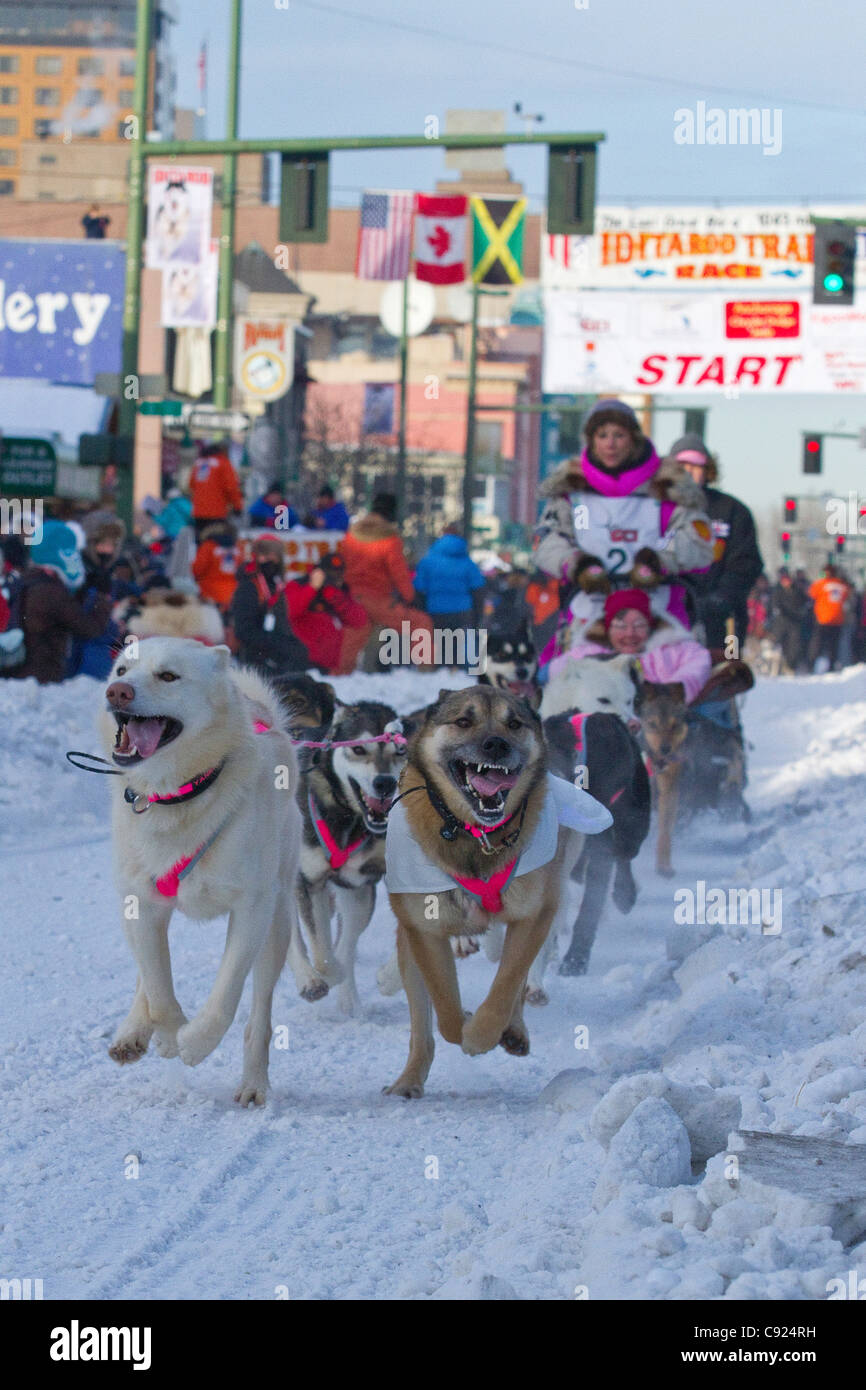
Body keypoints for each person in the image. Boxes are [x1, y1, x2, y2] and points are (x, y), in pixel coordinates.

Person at [535, 399, 714, 633]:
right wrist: (578, 564)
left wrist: (658, 561)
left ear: (633, 438)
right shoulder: (575, 493)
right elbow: (551, 539)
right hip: (589, 609)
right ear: (591, 440)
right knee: (555, 668)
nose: (610, 444)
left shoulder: (667, 486)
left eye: (619, 435)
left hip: (658, 610)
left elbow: (696, 540)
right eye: (602, 435)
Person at [666, 434, 764, 652]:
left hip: (722, 617)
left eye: (696, 466)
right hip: (666, 610)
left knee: (721, 674)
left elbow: (746, 563)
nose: (689, 471)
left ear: (708, 470)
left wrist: (723, 597)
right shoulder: (655, 508)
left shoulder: (732, 511)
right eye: (682, 465)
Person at [547, 587, 712, 705]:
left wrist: (675, 689)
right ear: (608, 628)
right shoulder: (592, 651)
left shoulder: (669, 648)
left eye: (639, 625)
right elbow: (559, 669)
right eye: (621, 626)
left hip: (663, 723)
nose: (630, 633)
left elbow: (699, 661)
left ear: (649, 625)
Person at [6, 521, 112, 684]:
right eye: (71, 551)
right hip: (41, 679)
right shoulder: (50, 591)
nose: (76, 558)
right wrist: (102, 599)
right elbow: (90, 628)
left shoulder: (29, 581)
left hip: (23, 674)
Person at [339, 492, 434, 651]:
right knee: (421, 624)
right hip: (379, 600)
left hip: (353, 599)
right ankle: (426, 672)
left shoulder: (351, 536)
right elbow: (399, 574)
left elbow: (342, 565)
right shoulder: (389, 540)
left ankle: (341, 674)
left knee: (352, 642)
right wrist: (410, 597)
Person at [230, 537, 311, 675]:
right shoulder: (249, 587)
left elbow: (282, 622)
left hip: (272, 644)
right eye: (265, 554)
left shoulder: (275, 584)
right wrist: (277, 643)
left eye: (275, 555)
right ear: (256, 556)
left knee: (300, 652)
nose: (271, 559)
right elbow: (243, 630)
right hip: (253, 653)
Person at [284, 559, 370, 675]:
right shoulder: (298, 585)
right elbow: (291, 611)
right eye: (329, 573)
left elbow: (359, 621)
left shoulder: (340, 591)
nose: (333, 578)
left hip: (333, 668)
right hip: (305, 664)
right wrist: (312, 588)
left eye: (338, 573)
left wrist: (335, 597)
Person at [412, 524, 485, 636]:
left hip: (434, 611)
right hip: (462, 612)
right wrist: (476, 618)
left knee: (437, 645)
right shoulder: (468, 564)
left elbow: (419, 588)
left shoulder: (427, 562)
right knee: (456, 648)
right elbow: (478, 590)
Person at [190, 442, 243, 542]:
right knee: (215, 542)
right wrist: (237, 507)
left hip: (198, 512)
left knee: (201, 542)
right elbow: (231, 487)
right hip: (216, 512)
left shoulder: (199, 463)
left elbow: (191, 485)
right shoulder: (223, 463)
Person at [808, 564, 851, 672]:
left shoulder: (821, 584)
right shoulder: (842, 585)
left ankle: (811, 666)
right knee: (833, 646)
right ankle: (831, 667)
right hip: (837, 620)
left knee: (817, 646)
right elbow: (847, 596)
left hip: (823, 620)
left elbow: (811, 593)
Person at [191, 520, 240, 613]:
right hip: (232, 594)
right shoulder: (237, 547)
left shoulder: (208, 546)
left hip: (209, 593)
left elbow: (197, 569)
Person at [769, 567, 809, 673]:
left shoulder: (798, 591)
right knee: (778, 646)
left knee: (793, 647)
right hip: (781, 623)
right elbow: (775, 606)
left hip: (794, 623)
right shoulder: (777, 591)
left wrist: (801, 613)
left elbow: (805, 603)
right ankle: (777, 667)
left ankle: (790, 666)